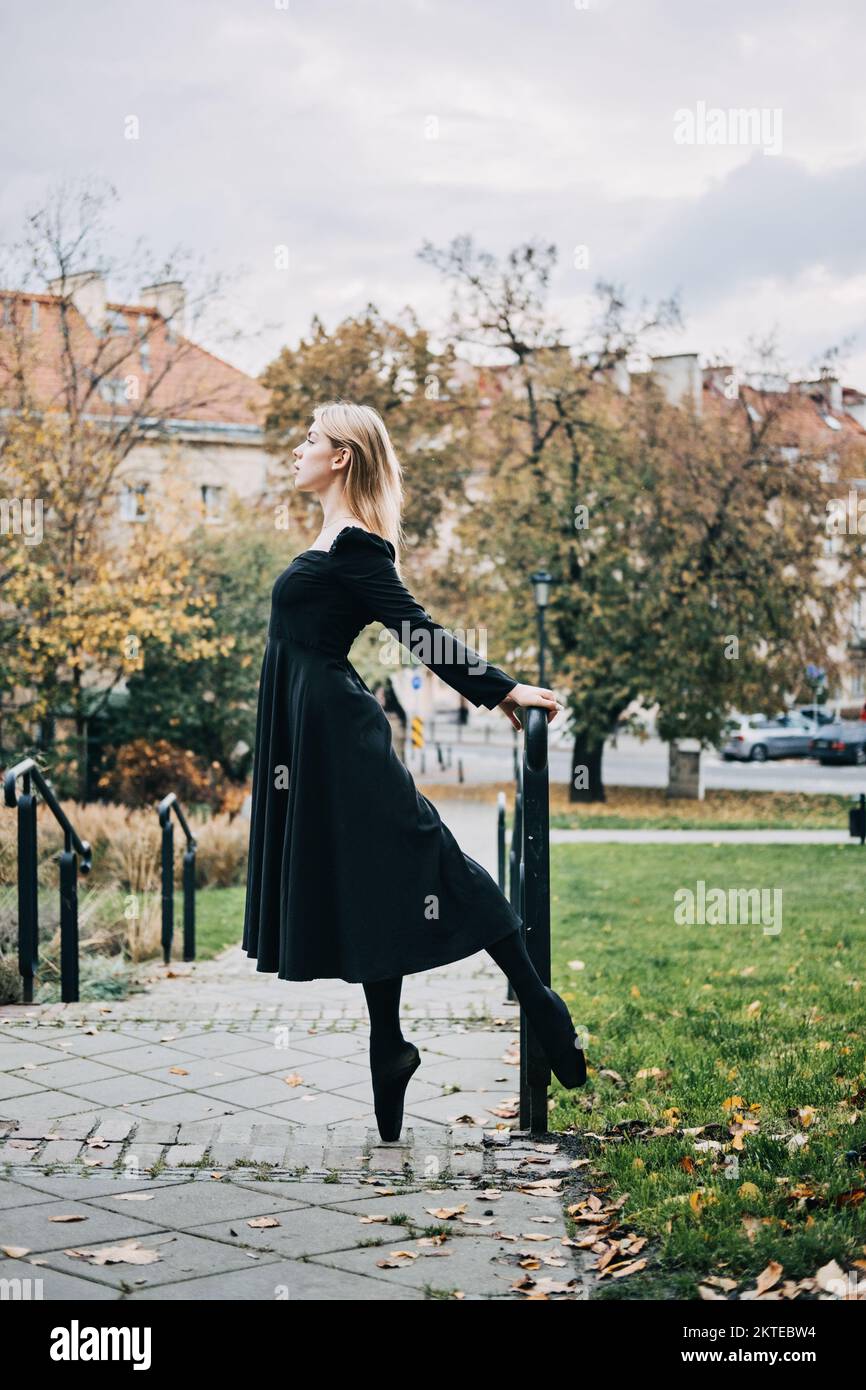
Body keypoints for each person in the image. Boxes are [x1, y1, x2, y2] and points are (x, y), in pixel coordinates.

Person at [242, 400, 587, 1142]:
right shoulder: (330, 537)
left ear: (342, 457)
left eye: (310, 441)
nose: (297, 450)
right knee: (370, 881)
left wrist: (501, 689)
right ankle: (388, 1047)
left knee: (432, 855)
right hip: (307, 744)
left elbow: (418, 632)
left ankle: (540, 1002)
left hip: (340, 739)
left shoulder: (360, 548)